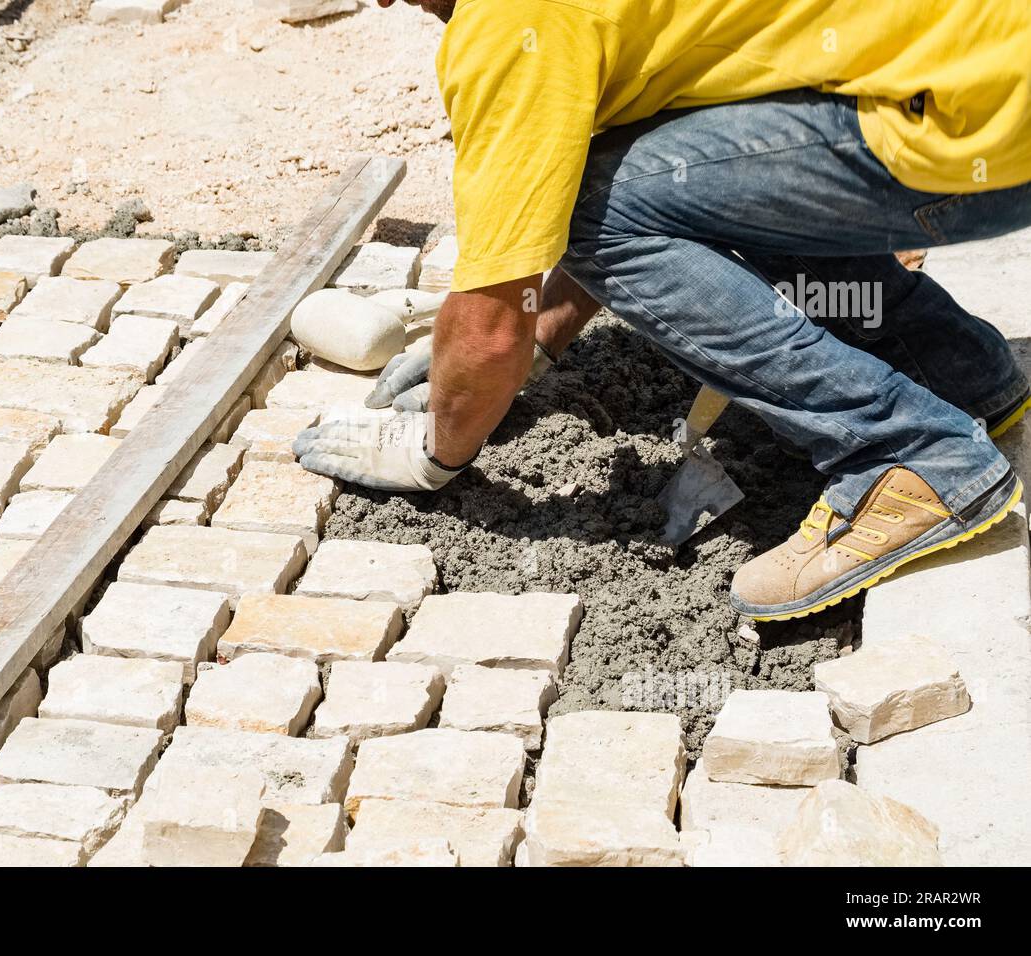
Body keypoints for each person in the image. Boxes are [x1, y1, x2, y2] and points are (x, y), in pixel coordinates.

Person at [295, 0, 1030, 621]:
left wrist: (434, 448)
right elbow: (660, 175)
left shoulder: (507, 30)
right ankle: (953, 367)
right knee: (670, 165)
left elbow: (496, 314)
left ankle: (905, 453)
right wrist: (543, 340)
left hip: (971, 128)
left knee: (593, 208)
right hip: (995, 69)